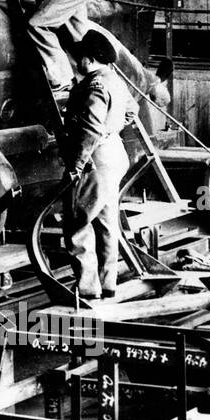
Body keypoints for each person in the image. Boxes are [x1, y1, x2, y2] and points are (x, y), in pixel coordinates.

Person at [60, 30, 136, 300]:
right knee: (106, 222)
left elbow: (91, 127)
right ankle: (108, 283)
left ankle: (87, 289)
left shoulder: (94, 84)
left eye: (79, 57)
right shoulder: (114, 79)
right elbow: (131, 111)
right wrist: (111, 129)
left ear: (89, 60)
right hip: (115, 153)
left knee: (78, 222)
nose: (76, 61)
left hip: (96, 159)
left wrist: (77, 164)